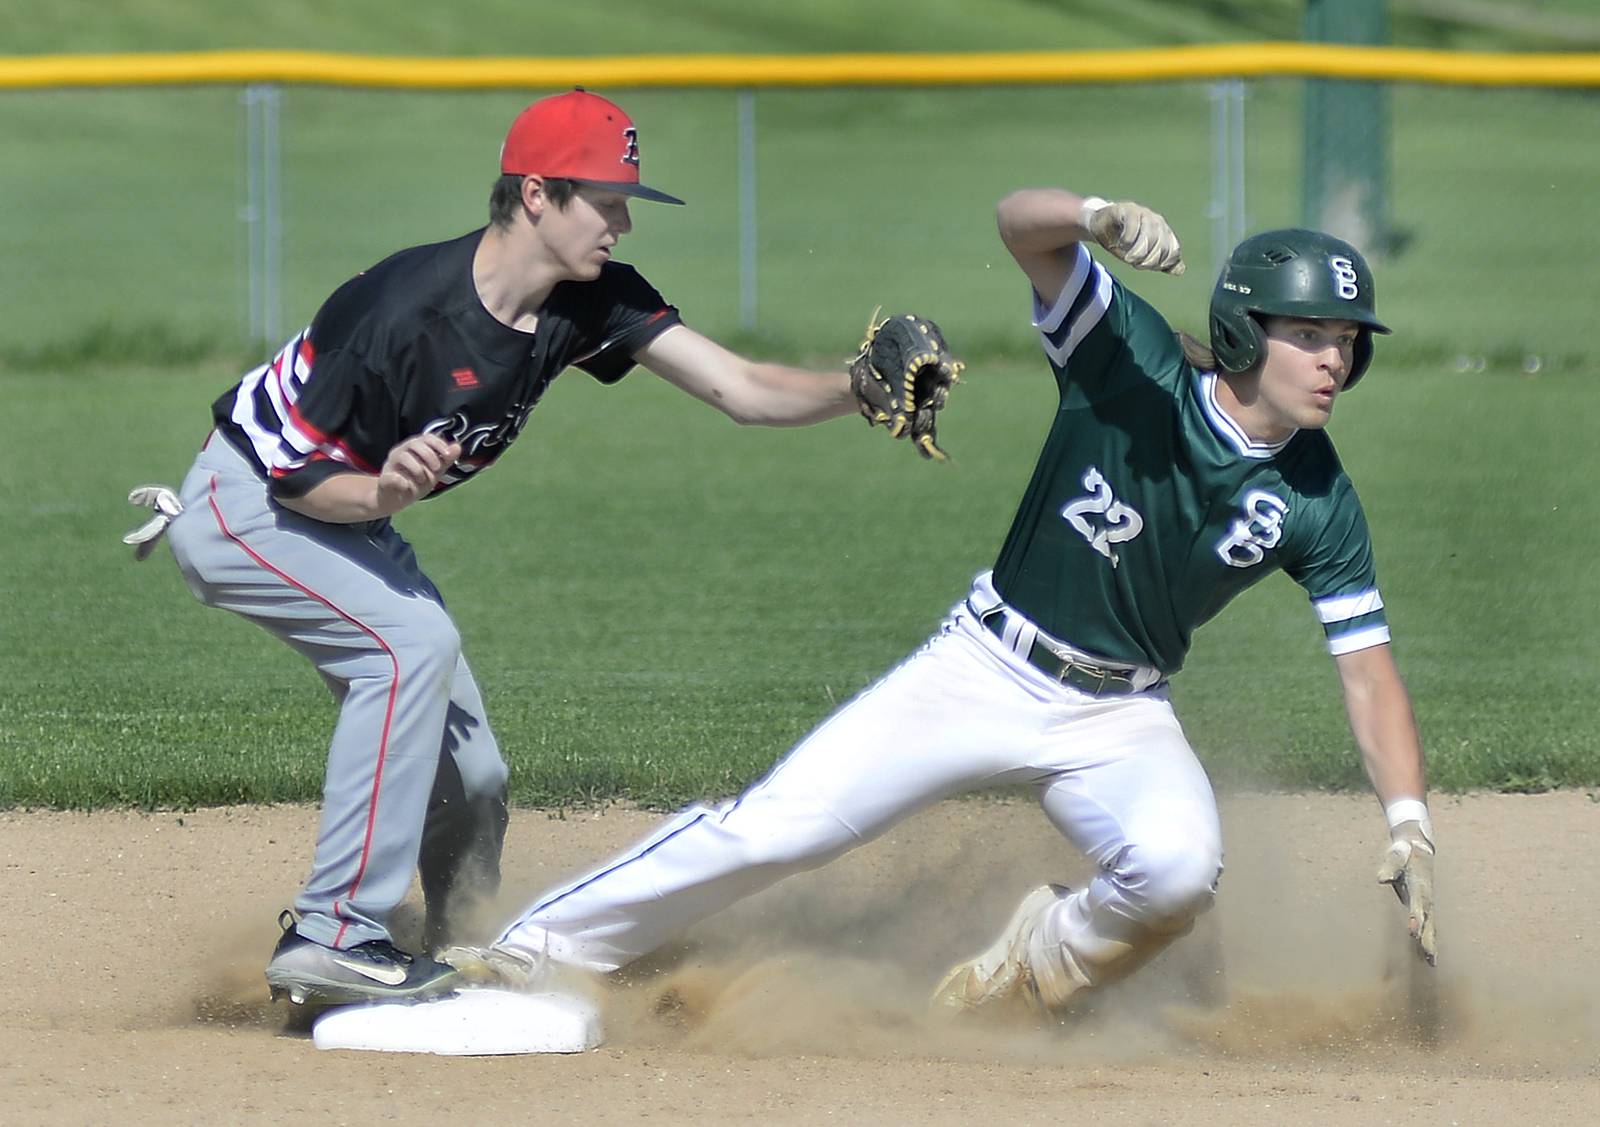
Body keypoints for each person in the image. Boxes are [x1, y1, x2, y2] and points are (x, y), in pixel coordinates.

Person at [442, 187, 1438, 1022]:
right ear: (1239, 331)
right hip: (984, 667)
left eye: (1346, 340)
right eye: (1307, 334)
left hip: (1119, 712)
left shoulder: (1316, 494)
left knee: (1176, 871)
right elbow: (1017, 224)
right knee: (778, 828)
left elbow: (1368, 669)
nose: (1332, 360)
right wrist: (1091, 213)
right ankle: (529, 949)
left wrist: (1407, 821)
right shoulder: (1126, 360)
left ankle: (1032, 961)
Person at [139, 88, 934, 1008]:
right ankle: (333, 931)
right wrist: (385, 491)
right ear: (535, 196)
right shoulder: (398, 307)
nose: (624, 222)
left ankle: (456, 949)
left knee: (474, 776)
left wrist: (856, 387)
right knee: (408, 649)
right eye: (606, 199)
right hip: (246, 503)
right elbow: (297, 477)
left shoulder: (588, 303)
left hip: (348, 509)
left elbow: (742, 388)